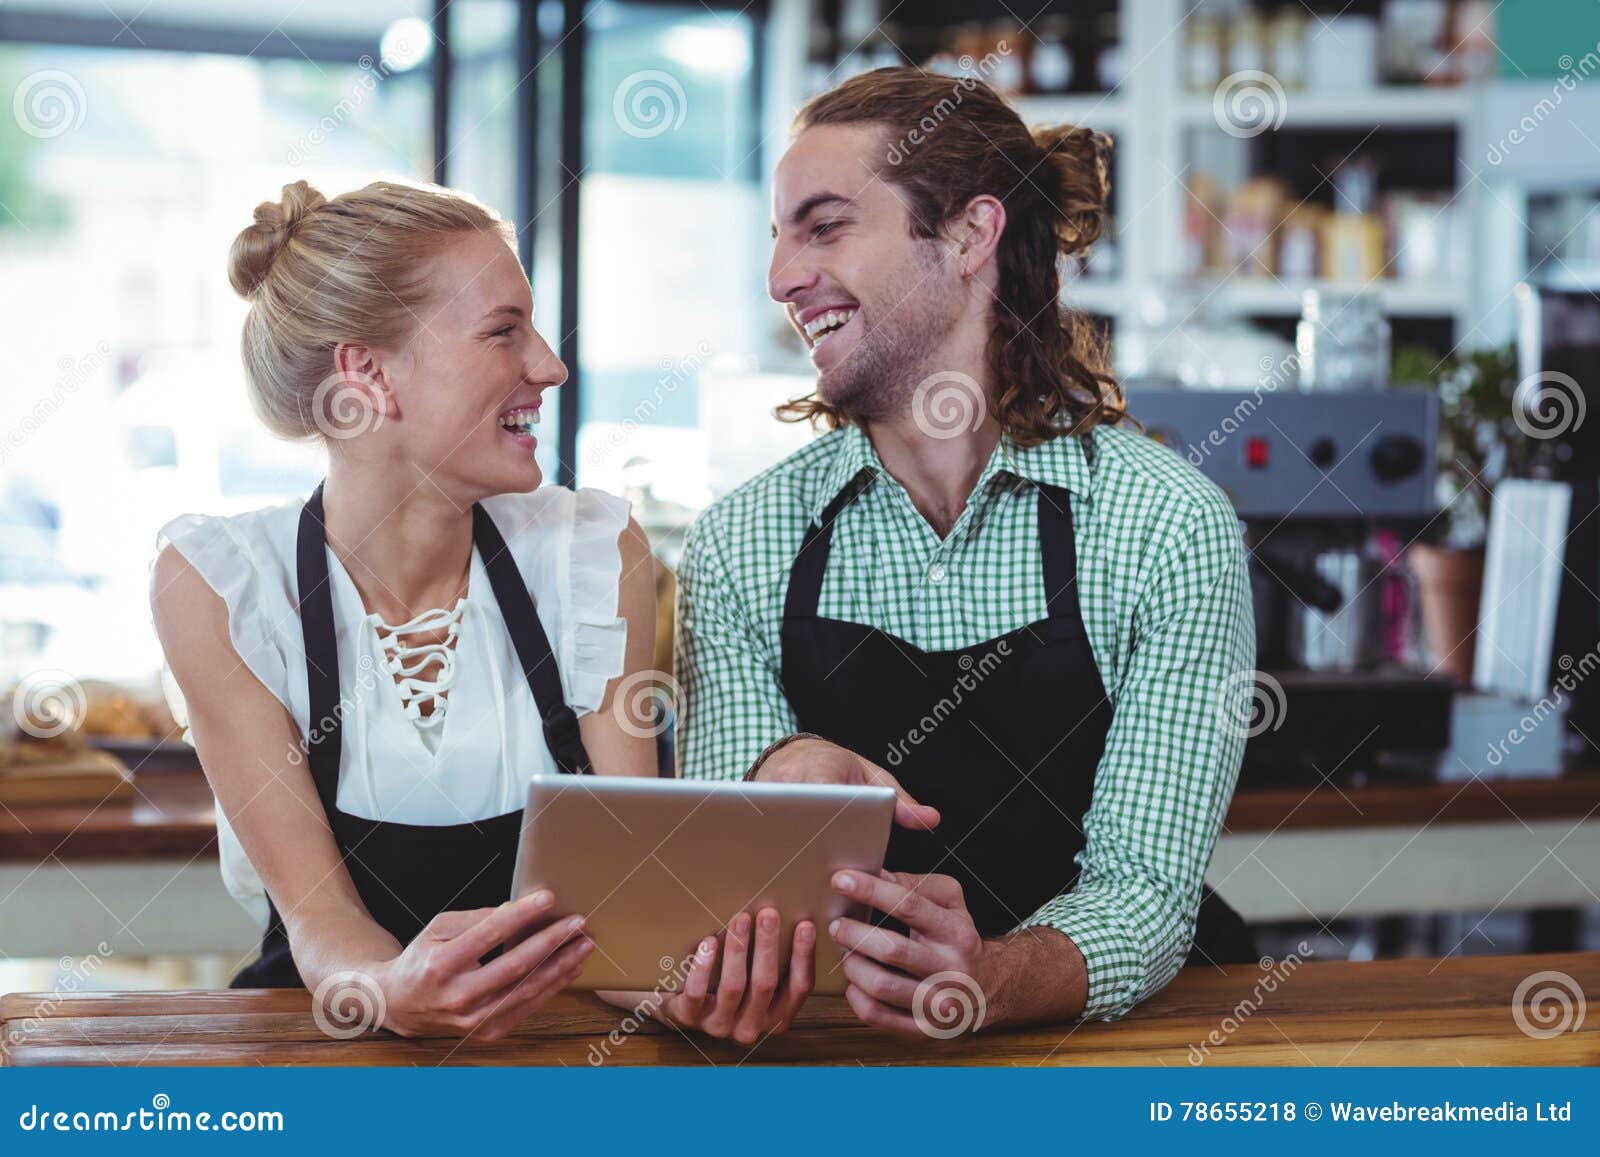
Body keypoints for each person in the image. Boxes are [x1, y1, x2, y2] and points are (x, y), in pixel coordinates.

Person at [665, 68, 1257, 1043]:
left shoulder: (1165, 527)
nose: (779, 279)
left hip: (1115, 1051)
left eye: (822, 225)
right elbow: (732, 909)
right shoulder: (741, 543)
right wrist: (780, 769)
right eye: (777, 238)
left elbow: (1146, 891)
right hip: (847, 1050)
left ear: (970, 235)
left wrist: (992, 973)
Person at [151, 179, 657, 1040]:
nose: (550, 364)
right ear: (368, 373)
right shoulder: (222, 585)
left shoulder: (592, 553)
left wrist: (687, 977)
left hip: (553, 1053)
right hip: (328, 1046)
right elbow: (322, 924)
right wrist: (392, 986)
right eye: (504, 331)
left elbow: (628, 904)